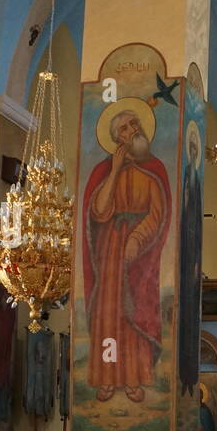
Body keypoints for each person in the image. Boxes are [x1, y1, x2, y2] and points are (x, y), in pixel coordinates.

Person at [83, 106, 171, 403]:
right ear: (116, 140)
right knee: (110, 313)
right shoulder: (104, 173)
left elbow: (158, 215)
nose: (133, 129)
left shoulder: (153, 172)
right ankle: (107, 378)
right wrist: (116, 170)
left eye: (135, 123)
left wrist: (137, 238)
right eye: (125, 128)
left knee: (136, 313)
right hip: (110, 252)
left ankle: (134, 378)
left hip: (140, 254)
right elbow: (99, 210)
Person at [178, 122, 203, 400]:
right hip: (184, 253)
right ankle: (184, 375)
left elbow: (195, 217)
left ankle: (188, 375)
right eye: (192, 147)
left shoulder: (197, 183)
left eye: (197, 148)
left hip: (192, 254)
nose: (194, 151)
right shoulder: (186, 176)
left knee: (190, 316)